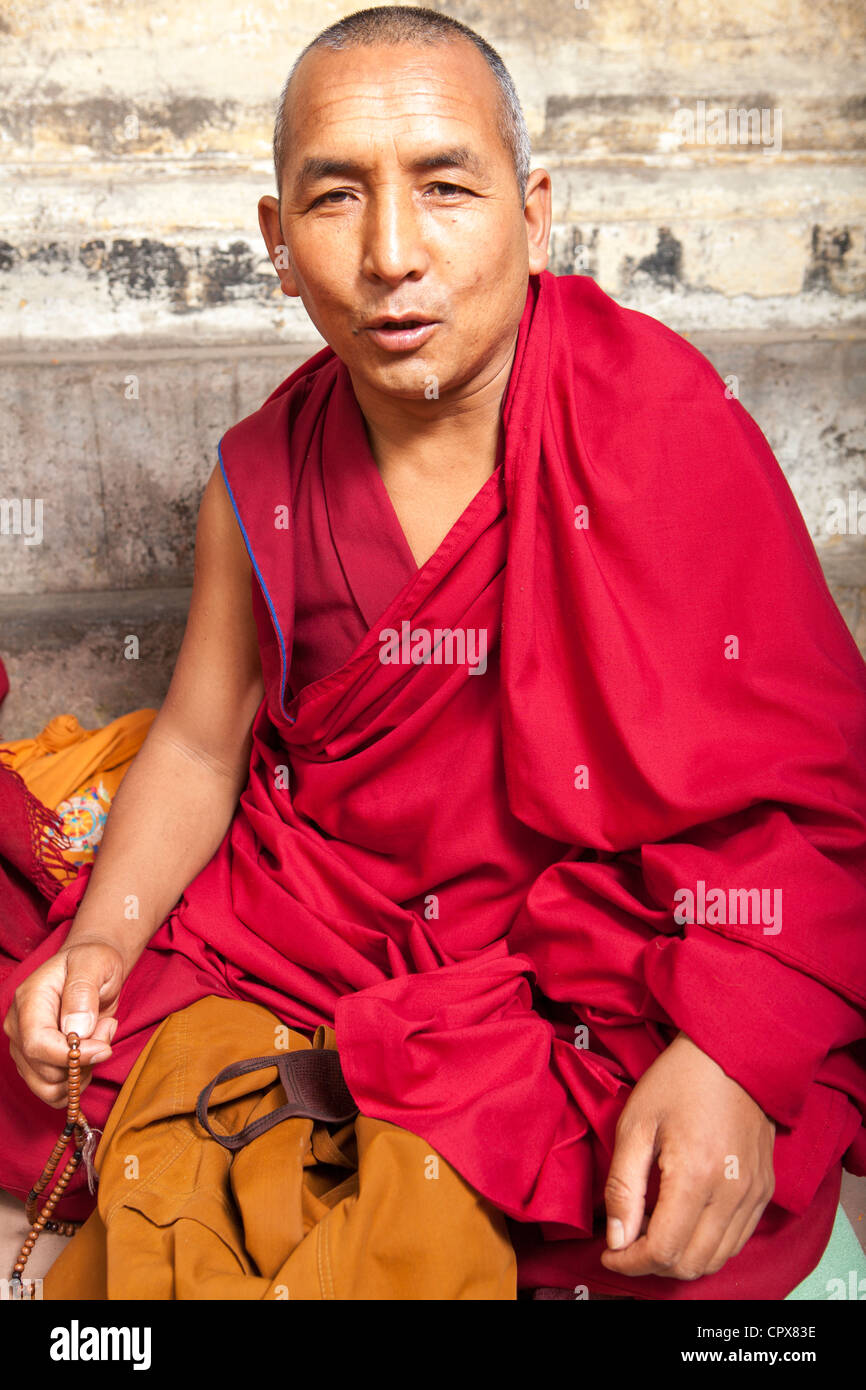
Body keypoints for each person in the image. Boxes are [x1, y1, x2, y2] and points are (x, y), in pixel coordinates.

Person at [2, 6, 865, 1300]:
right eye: (335, 198)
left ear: (535, 211)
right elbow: (197, 736)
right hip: (323, 924)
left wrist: (730, 1052)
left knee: (656, 1181)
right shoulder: (267, 469)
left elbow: (812, 791)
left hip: (574, 942)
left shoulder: (652, 422)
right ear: (276, 243)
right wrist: (106, 947)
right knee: (43, 1022)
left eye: (446, 188)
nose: (392, 253)